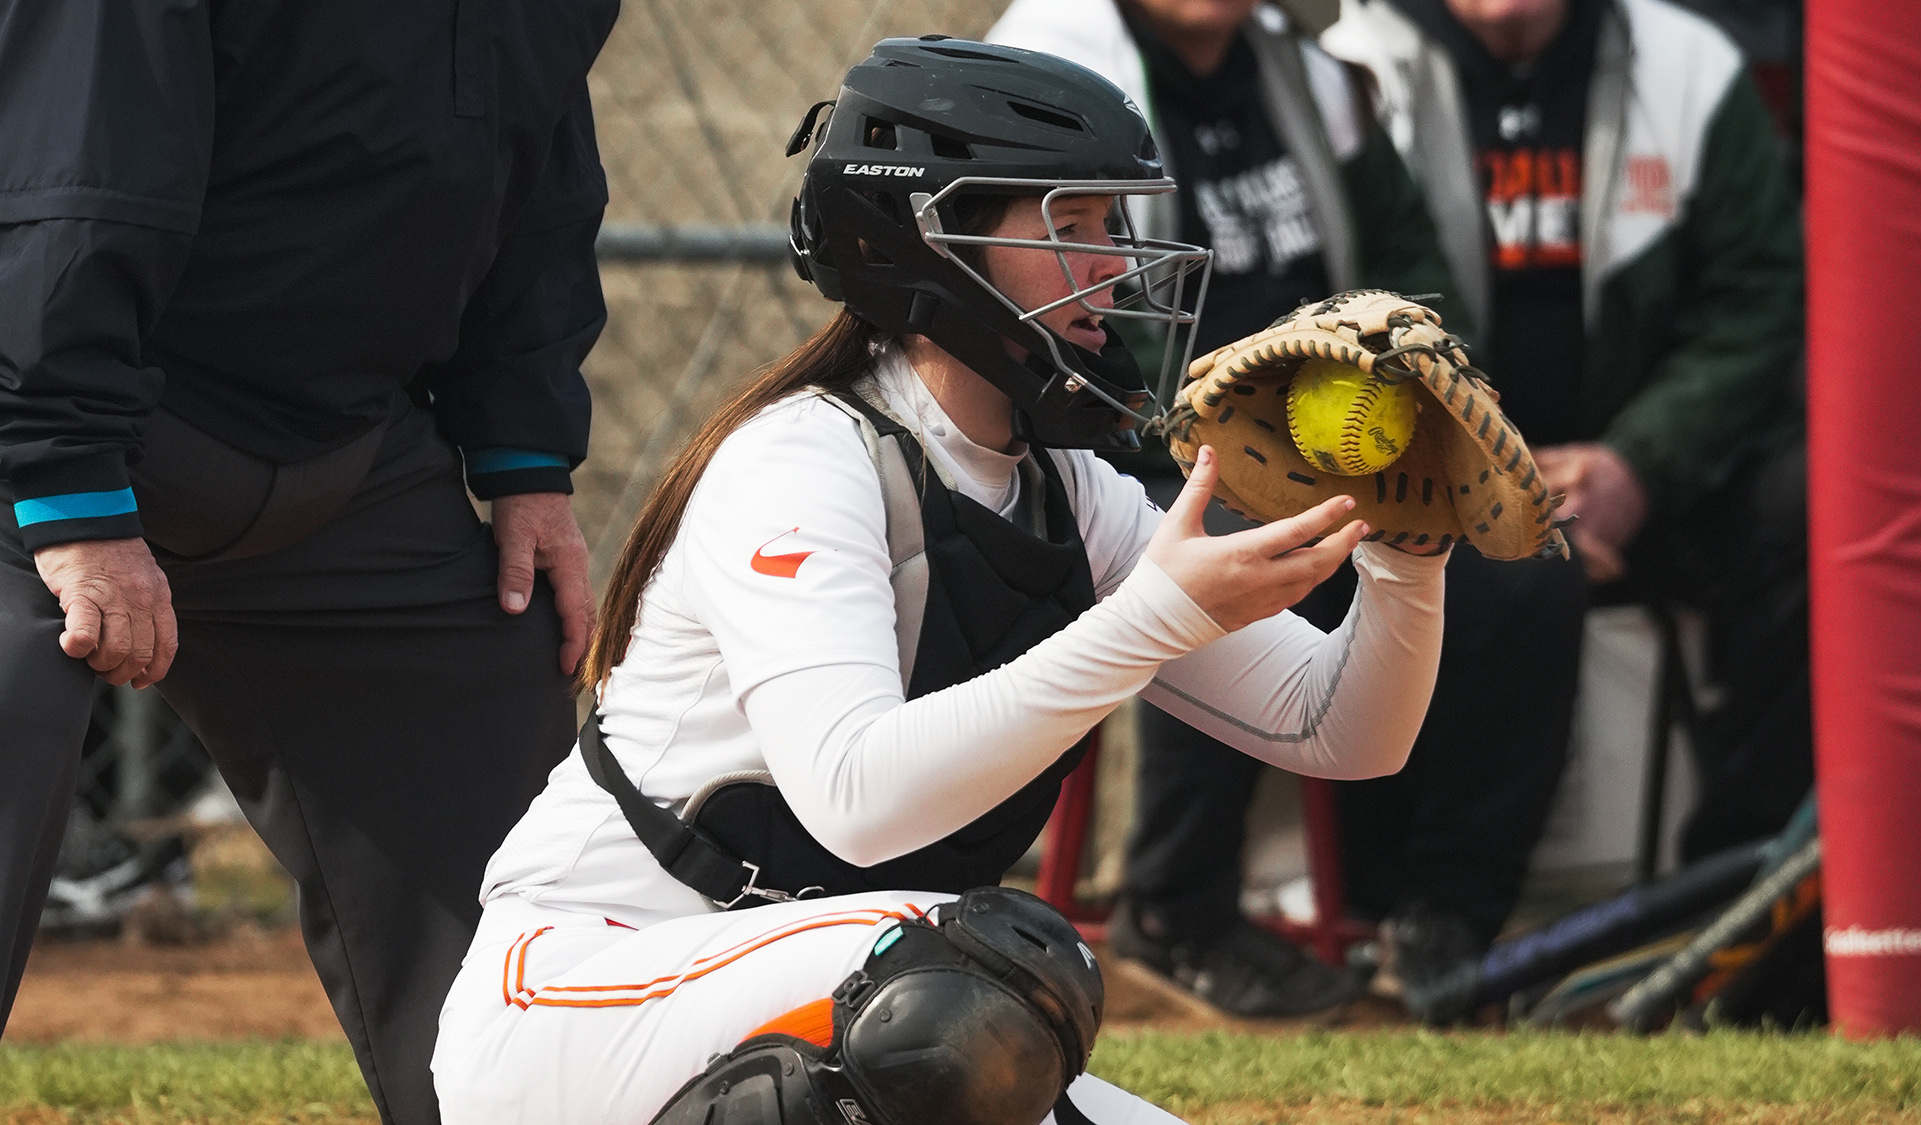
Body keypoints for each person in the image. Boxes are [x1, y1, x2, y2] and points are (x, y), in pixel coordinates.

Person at [428, 38, 1448, 1125]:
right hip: (584, 999)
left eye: (1114, 227)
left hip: (836, 999)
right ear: (927, 236)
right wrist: (1150, 621)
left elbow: (1344, 731)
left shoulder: (1069, 489)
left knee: (966, 994)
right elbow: (859, 801)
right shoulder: (804, 457)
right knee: (967, 981)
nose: (1114, 266)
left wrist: (1406, 556)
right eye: (1071, 227)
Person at [0, 3, 618, 1121]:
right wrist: (73, 494)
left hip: (334, 450)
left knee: (514, 849)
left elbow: (536, 170)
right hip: (29, 426)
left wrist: (526, 459)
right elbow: (71, 180)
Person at [987, 0, 1477, 1017]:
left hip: (1333, 445)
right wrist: (1216, 434)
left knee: (1505, 568)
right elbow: (1044, 306)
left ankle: (1439, 916)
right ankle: (1176, 907)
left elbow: (1411, 265)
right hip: (1148, 438)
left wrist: (1431, 396)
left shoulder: (1310, 78)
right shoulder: (1052, 55)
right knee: (1213, 546)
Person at [1321, 0, 1807, 1017]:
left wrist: (1640, 463)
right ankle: (1421, 923)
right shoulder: (1341, 74)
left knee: (1809, 514)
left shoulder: (1689, 66)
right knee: (1429, 562)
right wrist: (1481, 471)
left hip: (1642, 472)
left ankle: (1733, 914)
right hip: (1428, 469)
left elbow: (1756, 302)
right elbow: (1329, 308)